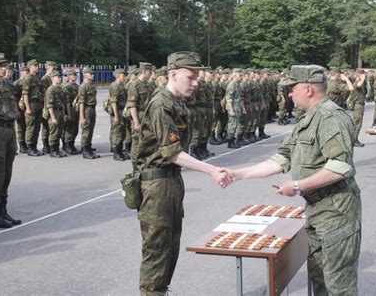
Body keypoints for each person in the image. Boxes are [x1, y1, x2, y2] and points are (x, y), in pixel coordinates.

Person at [223, 64, 362, 295]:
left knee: (339, 285)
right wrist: (238, 175)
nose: (289, 94)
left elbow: (339, 167)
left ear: (307, 89)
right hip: (318, 208)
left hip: (337, 211)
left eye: (292, 88)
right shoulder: (308, 119)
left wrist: (297, 186)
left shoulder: (330, 117)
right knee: (319, 280)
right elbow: (280, 159)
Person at [134, 51, 230, 295]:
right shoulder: (161, 103)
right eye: (191, 77)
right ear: (173, 74)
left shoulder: (178, 102)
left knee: (171, 245)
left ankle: (161, 290)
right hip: (157, 184)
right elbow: (172, 153)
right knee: (157, 248)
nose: (196, 82)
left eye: (198, 77)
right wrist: (211, 170)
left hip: (171, 181)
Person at [0, 53, 21, 228]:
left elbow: (13, 113)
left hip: (9, 131)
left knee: (7, 172)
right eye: (0, 65)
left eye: (5, 65)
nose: (4, 68)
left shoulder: (9, 86)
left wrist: (16, 138)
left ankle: (3, 210)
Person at [23, 59, 44, 156]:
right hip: (31, 104)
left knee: (37, 126)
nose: (37, 67)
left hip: (38, 103)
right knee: (31, 126)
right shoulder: (28, 78)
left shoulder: (37, 77)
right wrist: (27, 108)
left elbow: (41, 91)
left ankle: (34, 147)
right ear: (30, 67)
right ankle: (30, 147)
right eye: (35, 65)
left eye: (37, 65)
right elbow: (25, 94)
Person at [78, 67, 100, 159]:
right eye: (90, 74)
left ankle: (88, 147)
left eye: (93, 73)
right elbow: (81, 103)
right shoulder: (83, 86)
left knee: (91, 129)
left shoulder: (92, 85)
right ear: (85, 74)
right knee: (86, 130)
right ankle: (85, 150)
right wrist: (82, 117)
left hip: (92, 109)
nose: (93, 75)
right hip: (86, 109)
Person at [45, 70, 67, 158]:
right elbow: (49, 105)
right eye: (57, 77)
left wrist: (64, 114)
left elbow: (63, 102)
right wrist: (53, 117)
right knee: (54, 132)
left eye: (59, 77)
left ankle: (57, 149)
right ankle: (53, 150)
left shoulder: (60, 88)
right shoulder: (50, 90)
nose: (59, 78)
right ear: (52, 78)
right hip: (54, 112)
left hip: (60, 111)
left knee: (59, 132)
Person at [108, 68, 127, 161]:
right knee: (117, 132)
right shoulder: (114, 86)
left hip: (122, 111)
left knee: (122, 132)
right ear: (118, 76)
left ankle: (120, 151)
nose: (125, 77)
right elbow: (113, 102)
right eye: (123, 75)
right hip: (117, 111)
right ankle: (116, 153)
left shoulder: (122, 86)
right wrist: (115, 116)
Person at [62, 69, 80, 155]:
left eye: (75, 74)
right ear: (68, 76)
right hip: (70, 109)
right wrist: (68, 114)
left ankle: (72, 144)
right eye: (73, 75)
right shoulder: (67, 87)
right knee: (69, 129)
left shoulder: (76, 86)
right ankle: (67, 145)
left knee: (75, 129)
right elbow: (67, 102)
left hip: (76, 110)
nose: (75, 76)